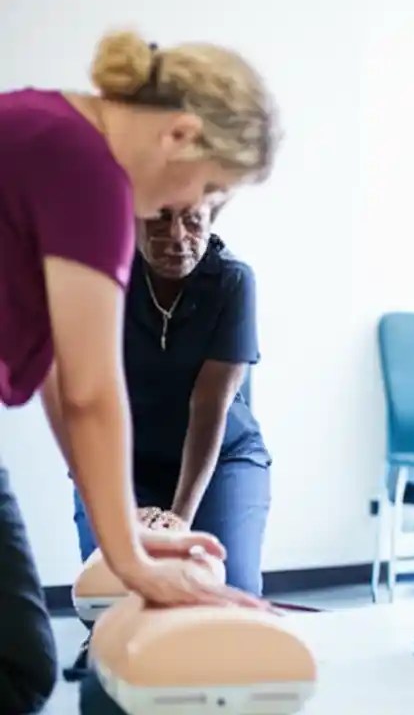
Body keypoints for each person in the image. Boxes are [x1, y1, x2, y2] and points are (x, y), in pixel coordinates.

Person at [0, 29, 280, 710]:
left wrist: (128, 534)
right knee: (16, 668)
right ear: (179, 135)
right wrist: (128, 558)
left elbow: (61, 379)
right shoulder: (89, 170)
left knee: (20, 666)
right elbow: (96, 393)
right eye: (210, 185)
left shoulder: (46, 124)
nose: (190, 213)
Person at [71, 199, 272, 597]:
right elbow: (90, 396)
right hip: (123, 460)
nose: (178, 238)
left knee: (226, 592)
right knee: (110, 592)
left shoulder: (233, 282)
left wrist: (178, 524)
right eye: (160, 221)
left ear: (211, 219)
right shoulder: (105, 280)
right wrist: (121, 504)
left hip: (220, 460)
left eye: (193, 221)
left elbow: (209, 405)